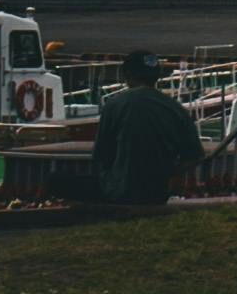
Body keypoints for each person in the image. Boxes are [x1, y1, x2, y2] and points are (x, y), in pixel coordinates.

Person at [84, 51, 206, 211]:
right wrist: (169, 173)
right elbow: (195, 156)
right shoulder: (175, 108)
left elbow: (101, 155)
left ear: (127, 75)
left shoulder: (115, 104)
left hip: (119, 191)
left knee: (57, 182)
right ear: (157, 76)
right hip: (157, 193)